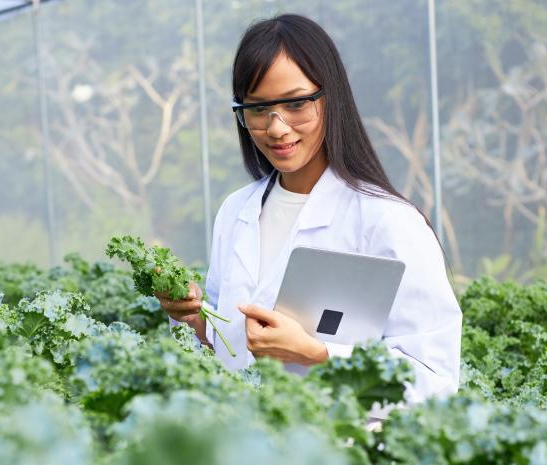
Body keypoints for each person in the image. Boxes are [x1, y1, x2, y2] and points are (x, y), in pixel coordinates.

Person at [156, 13, 462, 412]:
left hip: (343, 460)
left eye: (297, 103)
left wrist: (318, 354)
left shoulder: (388, 222)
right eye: (258, 109)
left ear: (330, 97)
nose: (278, 127)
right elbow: (229, 351)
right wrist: (195, 321)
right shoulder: (236, 212)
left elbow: (435, 377)